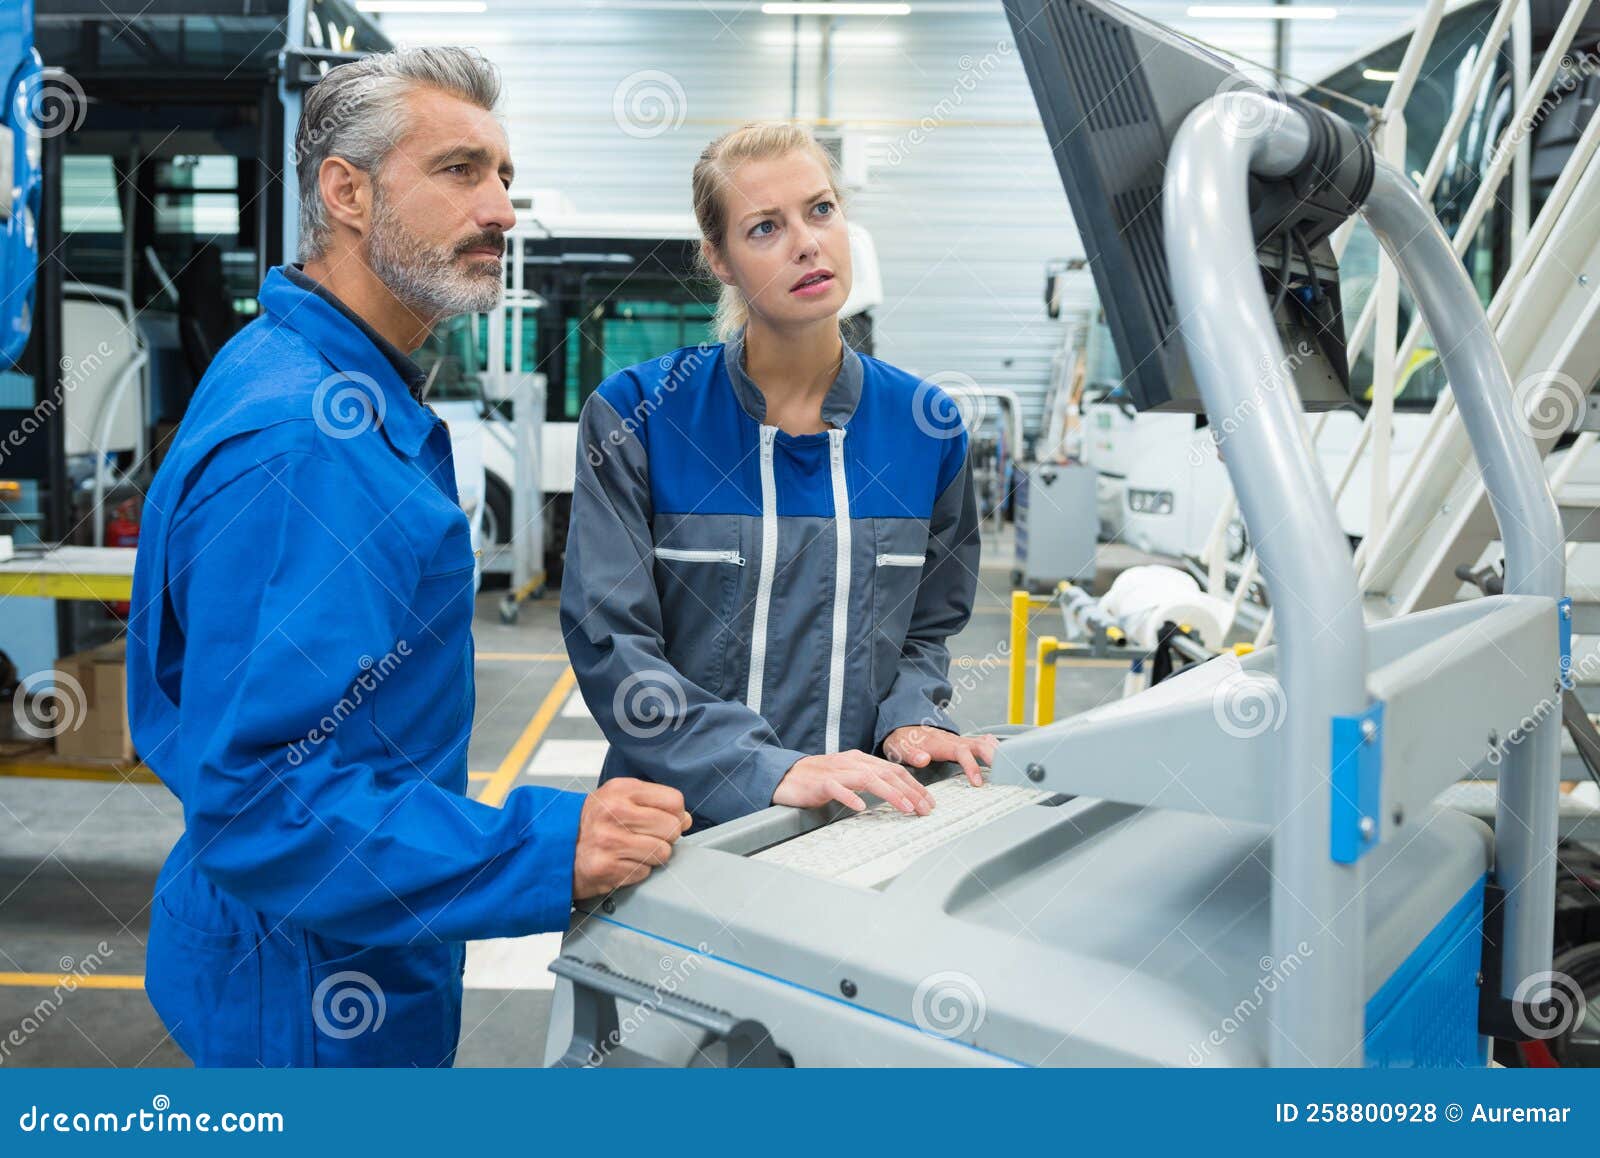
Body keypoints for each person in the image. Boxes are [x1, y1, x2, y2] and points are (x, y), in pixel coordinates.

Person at [126, 47, 688, 1069]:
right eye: (461, 171)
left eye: (505, 177)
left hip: (347, 936)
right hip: (304, 982)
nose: (503, 212)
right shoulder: (306, 440)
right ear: (346, 191)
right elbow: (262, 800)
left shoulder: (323, 375)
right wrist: (551, 847)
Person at [561, 121, 995, 831]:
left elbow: (926, 628)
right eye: (764, 227)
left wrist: (910, 718)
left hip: (860, 818)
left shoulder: (926, 425)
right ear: (720, 260)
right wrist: (767, 769)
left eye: (821, 209)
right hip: (675, 825)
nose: (807, 242)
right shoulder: (638, 416)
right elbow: (615, 648)